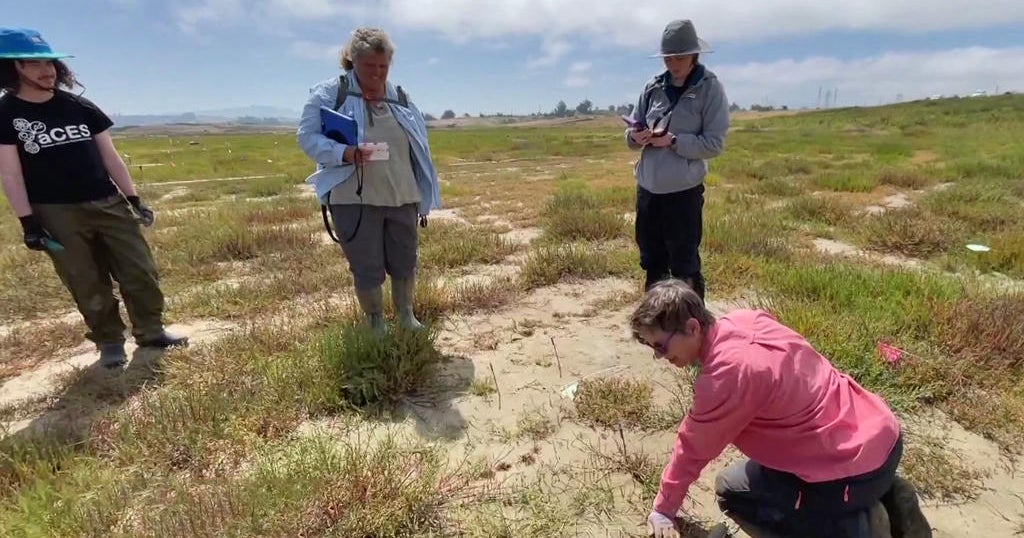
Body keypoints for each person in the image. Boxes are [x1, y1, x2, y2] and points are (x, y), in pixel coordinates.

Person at [631, 279, 932, 538]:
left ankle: (860, 525)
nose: (659, 357)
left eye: (660, 346)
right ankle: (888, 494)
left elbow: (692, 449)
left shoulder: (726, 374)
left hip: (849, 472)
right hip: (881, 439)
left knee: (732, 492)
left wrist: (663, 510)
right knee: (752, 477)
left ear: (692, 328)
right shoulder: (746, 320)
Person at [0, 28, 187, 368]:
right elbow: (10, 174)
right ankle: (110, 342)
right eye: (34, 63)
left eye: (50, 62)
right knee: (85, 279)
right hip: (56, 212)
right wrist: (28, 223)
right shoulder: (5, 113)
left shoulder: (79, 106)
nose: (47, 70)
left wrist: (133, 198)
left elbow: (110, 157)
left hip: (107, 201)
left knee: (140, 270)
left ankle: (151, 330)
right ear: (13, 69)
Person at [297, 27, 441, 332]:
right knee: (366, 266)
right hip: (354, 198)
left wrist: (422, 188)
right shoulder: (329, 94)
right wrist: (343, 152)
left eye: (383, 67)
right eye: (369, 67)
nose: (377, 74)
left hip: (402, 194)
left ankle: (405, 315)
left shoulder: (401, 96)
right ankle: (376, 323)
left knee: (405, 260)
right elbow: (306, 137)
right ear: (352, 61)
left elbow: (420, 144)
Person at [626, 19, 730, 300]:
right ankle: (656, 329)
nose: (673, 63)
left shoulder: (710, 88)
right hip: (648, 190)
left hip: (683, 194)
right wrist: (636, 137)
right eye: (668, 57)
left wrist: (673, 141)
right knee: (652, 264)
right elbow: (632, 129)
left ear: (695, 54)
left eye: (679, 57)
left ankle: (692, 328)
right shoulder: (652, 86)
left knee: (685, 266)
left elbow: (714, 144)